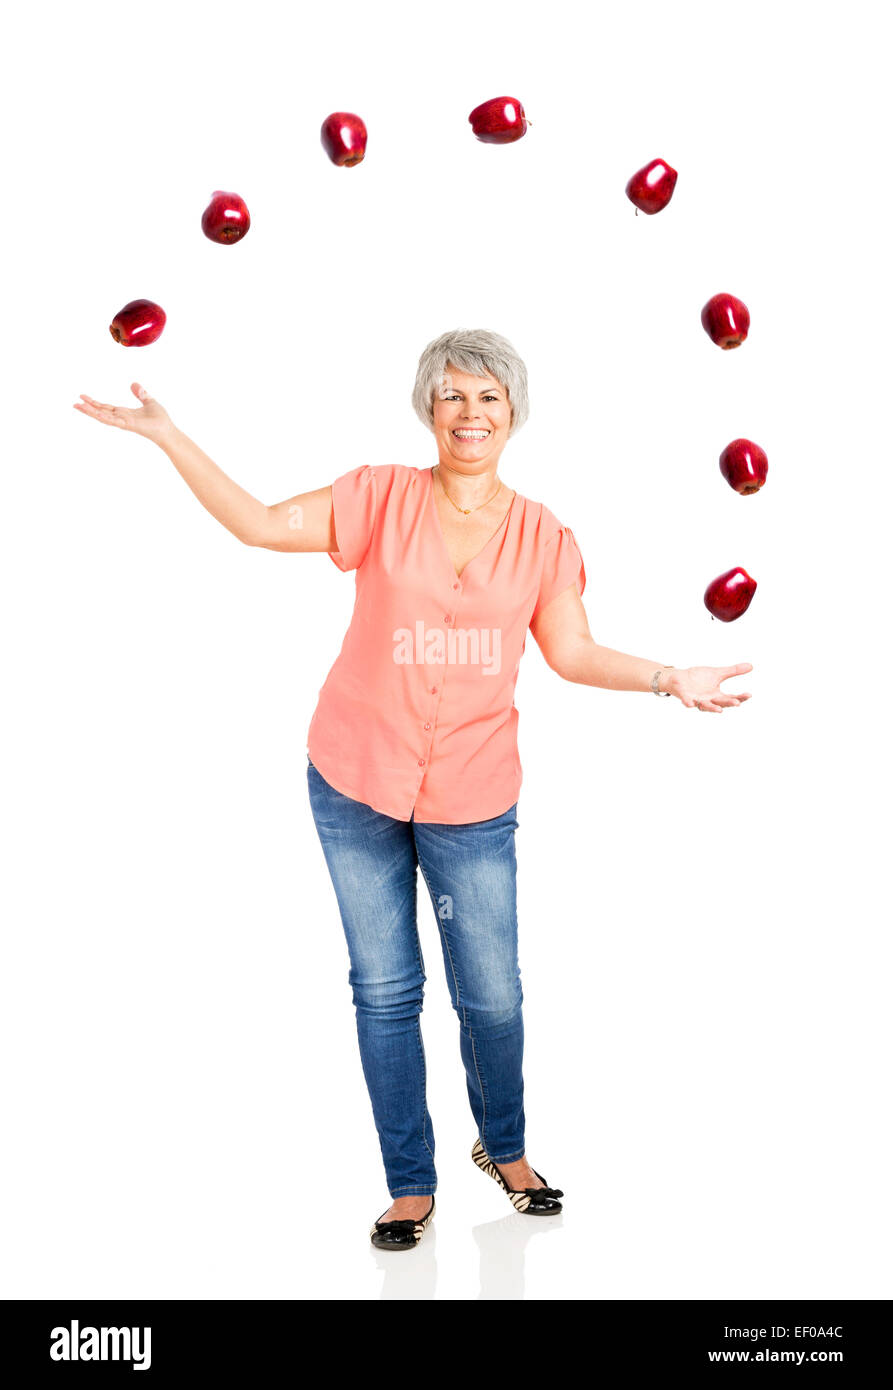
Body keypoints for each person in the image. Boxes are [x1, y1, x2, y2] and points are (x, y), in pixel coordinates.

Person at [74, 327, 753, 1252]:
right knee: (385, 991)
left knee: (493, 997)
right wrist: (169, 434)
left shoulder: (547, 538)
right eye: (451, 397)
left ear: (512, 415)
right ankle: (408, 1185)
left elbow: (572, 652)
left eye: (487, 399)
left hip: (473, 798)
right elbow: (260, 524)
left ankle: (505, 1151)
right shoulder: (379, 497)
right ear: (427, 409)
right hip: (352, 779)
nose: (469, 415)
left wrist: (671, 675)